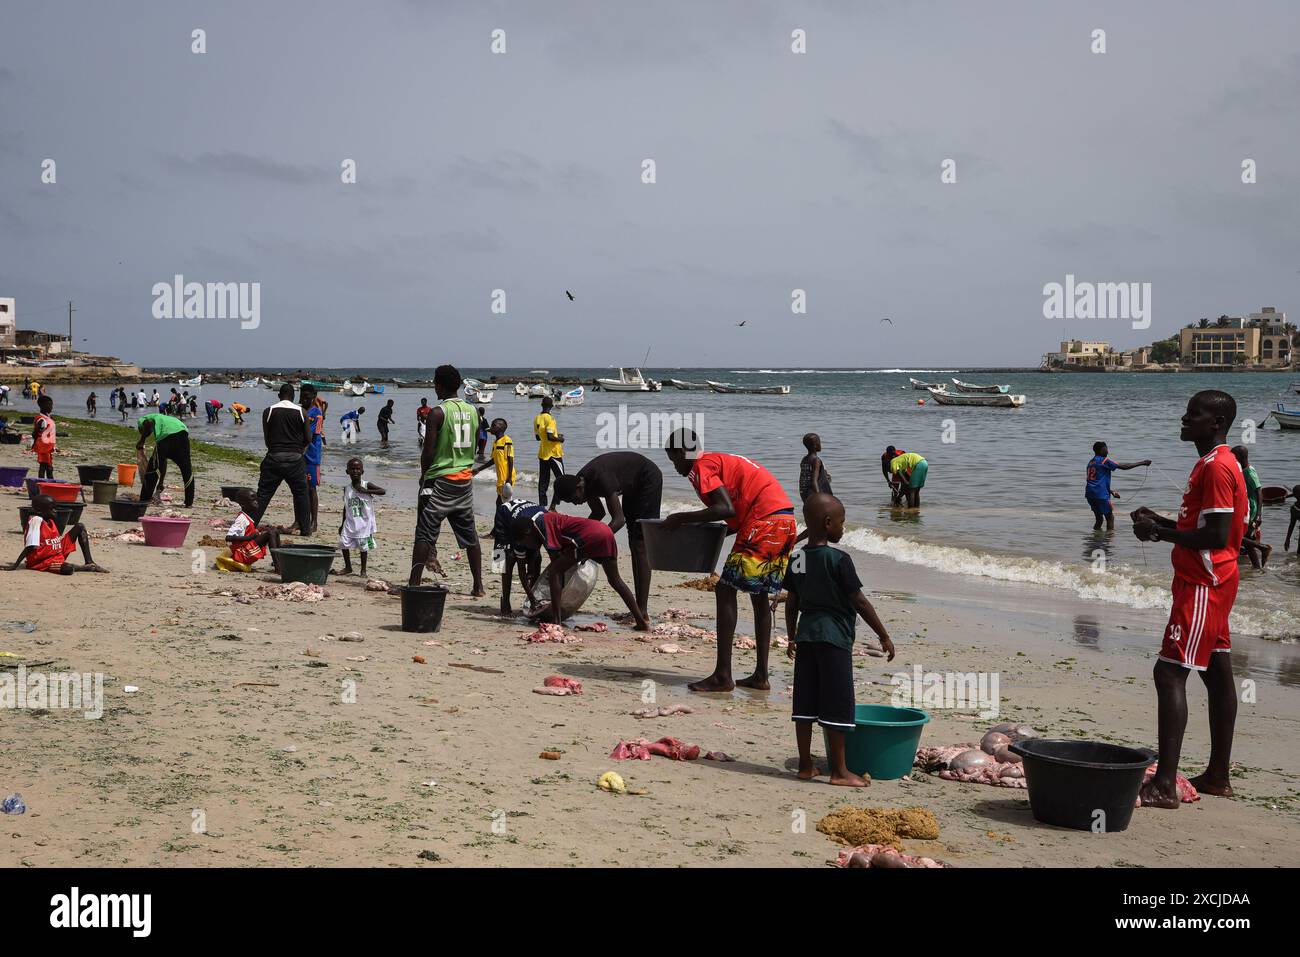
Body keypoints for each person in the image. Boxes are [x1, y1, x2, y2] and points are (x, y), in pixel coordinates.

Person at [1131, 390, 1246, 808]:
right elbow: (1206, 525)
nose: (1183, 419)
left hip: (1203, 583)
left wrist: (1159, 534)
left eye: (1192, 415)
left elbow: (1215, 537)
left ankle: (1164, 785)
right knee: (1216, 674)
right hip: (1211, 580)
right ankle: (1218, 775)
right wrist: (1159, 520)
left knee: (1169, 673)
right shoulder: (1215, 462)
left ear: (1215, 423)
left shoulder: (1216, 467)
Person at [662, 429, 796, 692]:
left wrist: (681, 519)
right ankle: (760, 676)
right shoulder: (716, 460)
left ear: (681, 453)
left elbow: (725, 508)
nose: (675, 466)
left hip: (764, 521)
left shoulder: (701, 466)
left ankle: (723, 676)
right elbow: (734, 514)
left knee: (725, 589)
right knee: (759, 595)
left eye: (673, 459)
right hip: (784, 520)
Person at [785, 493, 895, 785]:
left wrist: (791, 636)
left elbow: (792, 601)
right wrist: (883, 635)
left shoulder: (796, 559)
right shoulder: (839, 560)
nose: (843, 528)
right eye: (842, 522)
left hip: (807, 635)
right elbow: (859, 601)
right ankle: (839, 771)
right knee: (836, 703)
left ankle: (806, 765)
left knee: (805, 702)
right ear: (828, 522)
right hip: (834, 639)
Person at [552, 450, 663, 619]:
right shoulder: (584, 482)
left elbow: (618, 519)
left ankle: (642, 610)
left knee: (640, 543)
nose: (577, 504)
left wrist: (591, 543)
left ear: (579, 487)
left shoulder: (600, 478)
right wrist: (578, 541)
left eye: (575, 499)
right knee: (633, 541)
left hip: (647, 480)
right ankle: (637, 609)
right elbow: (598, 513)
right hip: (631, 485)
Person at [409, 365, 484, 595]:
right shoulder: (473, 411)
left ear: (439, 384)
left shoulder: (438, 412)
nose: (433, 387)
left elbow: (428, 452)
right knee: (470, 535)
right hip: (464, 481)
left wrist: (424, 477)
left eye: (434, 383)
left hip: (439, 481)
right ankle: (478, 586)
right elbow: (477, 442)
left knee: (424, 533)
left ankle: (414, 583)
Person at [510, 510, 649, 630]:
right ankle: (641, 621)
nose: (529, 546)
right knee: (615, 580)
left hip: (588, 536)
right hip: (605, 531)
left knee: (554, 572)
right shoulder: (545, 518)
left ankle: (556, 621)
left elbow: (556, 564)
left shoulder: (540, 525)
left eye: (525, 543)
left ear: (527, 533)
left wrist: (556, 596)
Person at [252, 384, 312, 535]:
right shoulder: (301, 412)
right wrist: (298, 451)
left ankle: (251, 524)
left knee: (263, 494)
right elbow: (308, 438)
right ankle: (305, 529)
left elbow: (267, 439)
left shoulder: (269, 411)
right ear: (293, 397)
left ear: (279, 395)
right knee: (301, 494)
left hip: (274, 457)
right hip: (295, 459)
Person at [5, 494, 107, 574]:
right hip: (43, 561)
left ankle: (89, 561)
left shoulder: (50, 520)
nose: (55, 511)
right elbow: (30, 546)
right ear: (39, 511)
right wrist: (15, 565)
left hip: (56, 552)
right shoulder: (36, 521)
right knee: (67, 569)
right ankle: (86, 568)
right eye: (52, 509)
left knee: (79, 526)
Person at [491, 496, 544, 616]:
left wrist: (531, 567)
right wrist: (533, 599)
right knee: (505, 560)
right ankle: (505, 601)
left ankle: (532, 599)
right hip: (504, 517)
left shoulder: (543, 526)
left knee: (537, 561)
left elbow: (537, 548)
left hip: (525, 519)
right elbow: (521, 571)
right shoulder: (521, 539)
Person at [1085, 442, 1150, 531]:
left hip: (1090, 495)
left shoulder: (1090, 462)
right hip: (1101, 495)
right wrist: (1142, 463)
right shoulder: (1104, 460)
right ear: (1101, 450)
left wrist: (1111, 491)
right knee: (1110, 518)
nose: (1107, 451)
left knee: (1099, 519)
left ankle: (1095, 540)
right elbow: (1123, 466)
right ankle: (1108, 541)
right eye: (1106, 449)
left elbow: (1095, 481)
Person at [137, 411, 195, 506]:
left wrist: (142, 440)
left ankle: (145, 498)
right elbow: (163, 462)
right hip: (182, 434)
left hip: (166, 437)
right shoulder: (162, 421)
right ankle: (189, 502)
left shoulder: (142, 420)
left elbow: (147, 423)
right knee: (186, 469)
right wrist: (161, 482)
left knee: (153, 466)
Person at [339, 457, 385, 576]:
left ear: (362, 471)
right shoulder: (346, 489)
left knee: (363, 547)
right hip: (350, 521)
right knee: (343, 543)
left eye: (358, 469)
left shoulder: (366, 484)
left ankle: (363, 570)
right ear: (347, 471)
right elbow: (346, 506)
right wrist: (342, 522)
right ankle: (348, 567)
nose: (355, 471)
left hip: (364, 522)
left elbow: (382, 491)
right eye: (352, 469)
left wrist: (366, 491)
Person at [225, 489, 285, 572]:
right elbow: (229, 537)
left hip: (246, 550)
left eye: (256, 499)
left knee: (274, 530)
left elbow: (248, 532)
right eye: (253, 500)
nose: (256, 502)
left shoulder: (247, 517)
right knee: (270, 533)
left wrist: (260, 529)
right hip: (241, 554)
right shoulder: (241, 519)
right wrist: (249, 537)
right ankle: (278, 568)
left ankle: (280, 563)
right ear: (243, 504)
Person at [1231, 445, 1271, 568]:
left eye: (1233, 458)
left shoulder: (1249, 471)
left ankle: (1262, 552)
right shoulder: (1242, 470)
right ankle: (1257, 567)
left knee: (1242, 538)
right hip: (1245, 508)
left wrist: (1258, 514)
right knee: (1245, 540)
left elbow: (1259, 491)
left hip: (1252, 511)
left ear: (1239, 458)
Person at [472, 417, 515, 505]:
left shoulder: (507, 441)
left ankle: (501, 518)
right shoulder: (496, 443)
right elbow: (494, 460)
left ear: (501, 428)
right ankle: (503, 518)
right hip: (501, 478)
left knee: (501, 502)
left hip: (506, 477)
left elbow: (510, 458)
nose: (491, 427)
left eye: (493, 426)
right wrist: (479, 469)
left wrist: (509, 478)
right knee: (502, 502)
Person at [300, 386, 325, 535]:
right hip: (298, 455)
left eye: (307, 397)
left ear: (314, 396)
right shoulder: (299, 411)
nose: (304, 400)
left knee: (311, 488)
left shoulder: (317, 415)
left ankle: (314, 521)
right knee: (299, 489)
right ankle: (299, 520)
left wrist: (300, 453)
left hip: (311, 456)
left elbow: (309, 437)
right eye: (302, 397)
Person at [534, 396, 565, 507]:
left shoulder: (537, 418)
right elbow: (550, 436)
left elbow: (538, 438)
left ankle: (542, 506)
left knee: (543, 481)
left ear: (542, 405)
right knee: (562, 480)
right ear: (551, 406)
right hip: (553, 453)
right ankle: (553, 506)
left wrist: (555, 435)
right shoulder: (550, 419)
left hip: (543, 453)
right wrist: (560, 439)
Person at [798, 433, 833, 502]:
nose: (820, 445)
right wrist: (818, 497)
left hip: (805, 493)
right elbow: (814, 481)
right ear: (815, 445)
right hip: (815, 492)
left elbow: (806, 476)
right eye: (819, 442)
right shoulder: (816, 460)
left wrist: (825, 476)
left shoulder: (804, 459)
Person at [30, 395, 57, 480]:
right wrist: (35, 443)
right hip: (43, 447)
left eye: (51, 405)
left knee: (46, 465)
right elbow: (35, 433)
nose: (51, 407)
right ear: (42, 406)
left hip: (48, 446)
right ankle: (45, 483)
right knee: (46, 466)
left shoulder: (47, 418)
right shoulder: (41, 420)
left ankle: (46, 483)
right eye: (49, 405)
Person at [1285, 486, 1300, 555]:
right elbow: (1292, 525)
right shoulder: (1294, 509)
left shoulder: (1294, 509)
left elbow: (1292, 525)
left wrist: (1287, 539)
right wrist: (1287, 539)